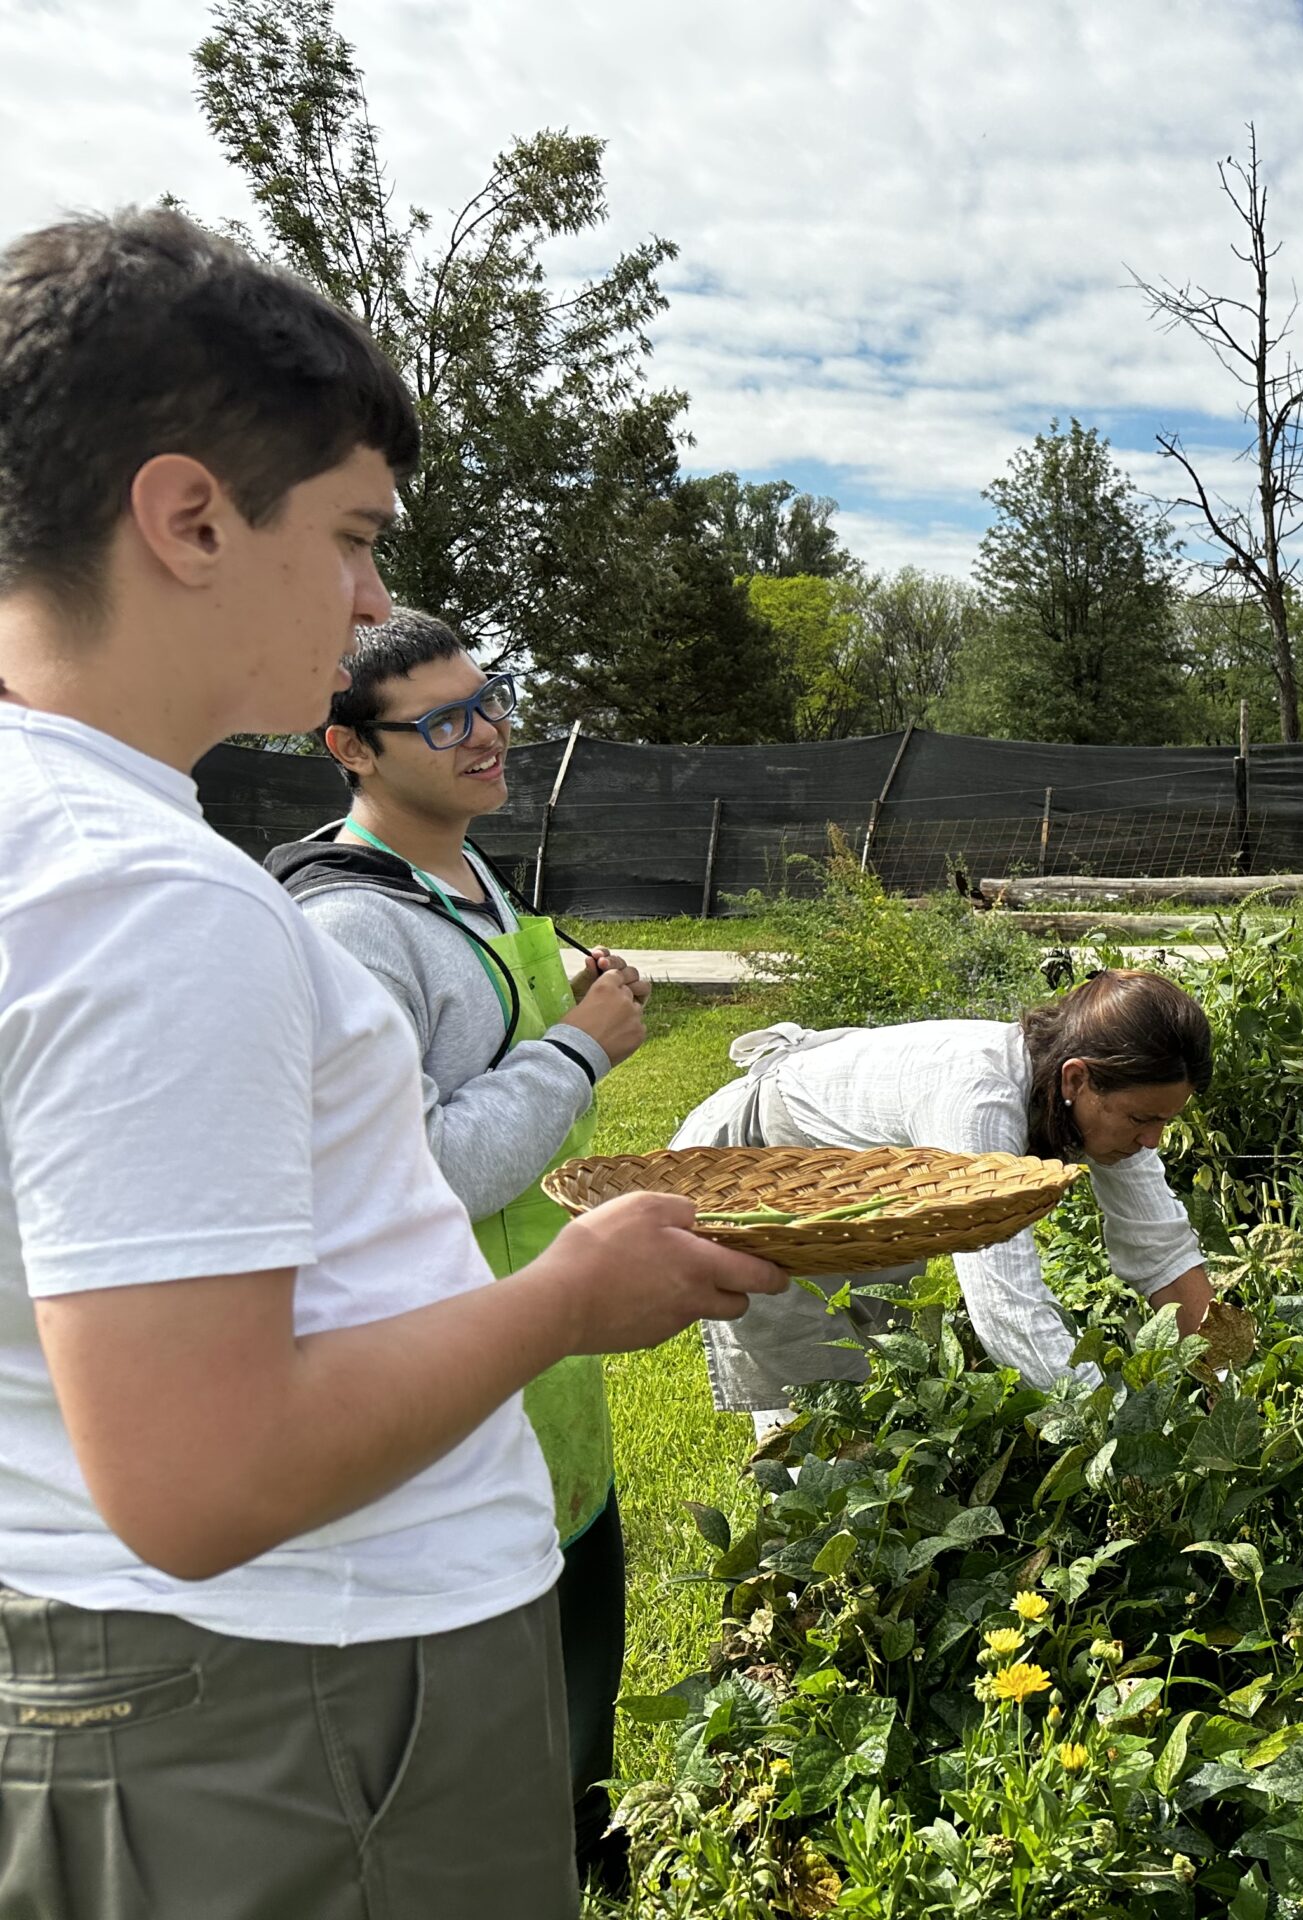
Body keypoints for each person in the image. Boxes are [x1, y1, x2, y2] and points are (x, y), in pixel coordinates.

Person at [0, 208, 784, 1920]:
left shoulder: (49, 839)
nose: (369, 598)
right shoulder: (144, 899)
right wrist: (568, 1299)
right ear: (192, 517)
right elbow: (201, 1479)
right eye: (356, 538)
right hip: (298, 1720)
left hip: (183, 1696)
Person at [265, 609, 651, 1888]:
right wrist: (585, 1047)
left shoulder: (471, 881)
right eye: (442, 720)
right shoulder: (349, 928)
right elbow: (418, 1169)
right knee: (484, 1708)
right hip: (449, 1357)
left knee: (577, 1645)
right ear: (350, 749)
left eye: (487, 703)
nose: (485, 734)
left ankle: (578, 1855)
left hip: (547, 1342)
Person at [672, 969, 1215, 1427]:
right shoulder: (977, 1102)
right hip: (760, 1177)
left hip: (864, 1192)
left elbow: (1161, 1252)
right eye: (1143, 1119)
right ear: (1077, 1079)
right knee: (816, 1415)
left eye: (1164, 1121)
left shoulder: (1112, 1099)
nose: (1153, 1141)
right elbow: (1008, 1310)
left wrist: (1226, 1384)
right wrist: (1123, 1429)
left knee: (867, 1378)